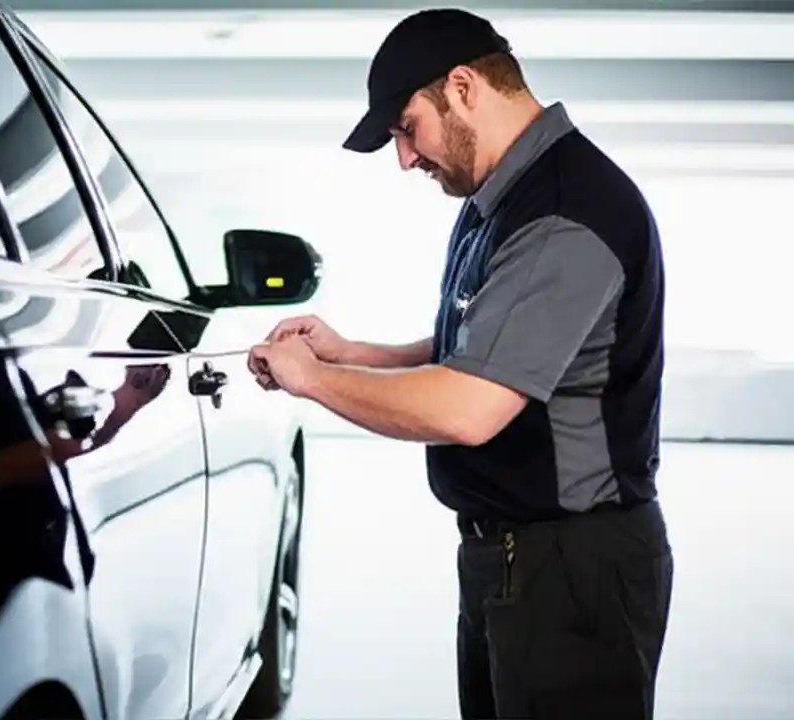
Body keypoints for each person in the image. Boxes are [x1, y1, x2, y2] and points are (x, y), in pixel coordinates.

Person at [247, 8, 673, 719]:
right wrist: (353, 354)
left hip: (570, 571)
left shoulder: (564, 212)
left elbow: (469, 407)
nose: (406, 159)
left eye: (407, 129)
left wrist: (314, 380)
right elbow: (482, 350)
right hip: (513, 560)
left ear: (465, 87)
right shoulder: (500, 201)